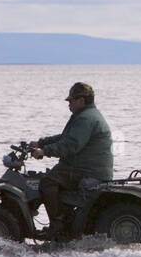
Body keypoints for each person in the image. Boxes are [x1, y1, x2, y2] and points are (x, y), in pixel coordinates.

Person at [30, 82, 114, 226]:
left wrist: (44, 151)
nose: (68, 104)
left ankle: (59, 223)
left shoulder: (85, 119)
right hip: (88, 168)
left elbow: (70, 145)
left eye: (71, 100)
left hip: (86, 171)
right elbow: (66, 137)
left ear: (81, 100)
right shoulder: (85, 115)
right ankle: (65, 215)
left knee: (47, 182)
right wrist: (41, 143)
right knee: (51, 177)